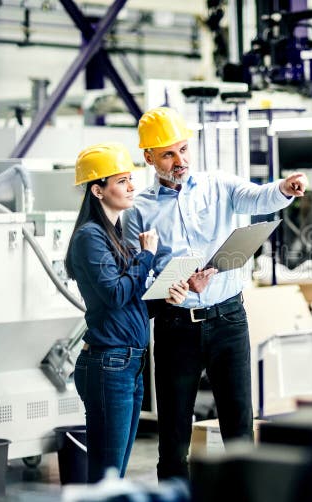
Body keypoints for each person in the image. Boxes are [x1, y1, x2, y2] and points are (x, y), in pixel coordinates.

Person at [122, 107, 308, 479]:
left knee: (239, 429)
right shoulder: (137, 211)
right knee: (174, 438)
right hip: (177, 328)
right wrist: (170, 289)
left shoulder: (218, 184)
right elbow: (136, 278)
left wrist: (284, 189)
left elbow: (258, 198)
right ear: (148, 157)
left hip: (228, 320)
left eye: (184, 150)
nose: (180, 161)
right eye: (168, 154)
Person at [65, 142, 189, 482]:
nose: (132, 186)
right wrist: (147, 255)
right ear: (98, 190)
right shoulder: (90, 238)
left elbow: (131, 305)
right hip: (108, 366)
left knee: (115, 475)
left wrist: (167, 295)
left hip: (128, 364)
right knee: (106, 477)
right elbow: (116, 294)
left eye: (131, 179)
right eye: (121, 181)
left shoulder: (116, 235)